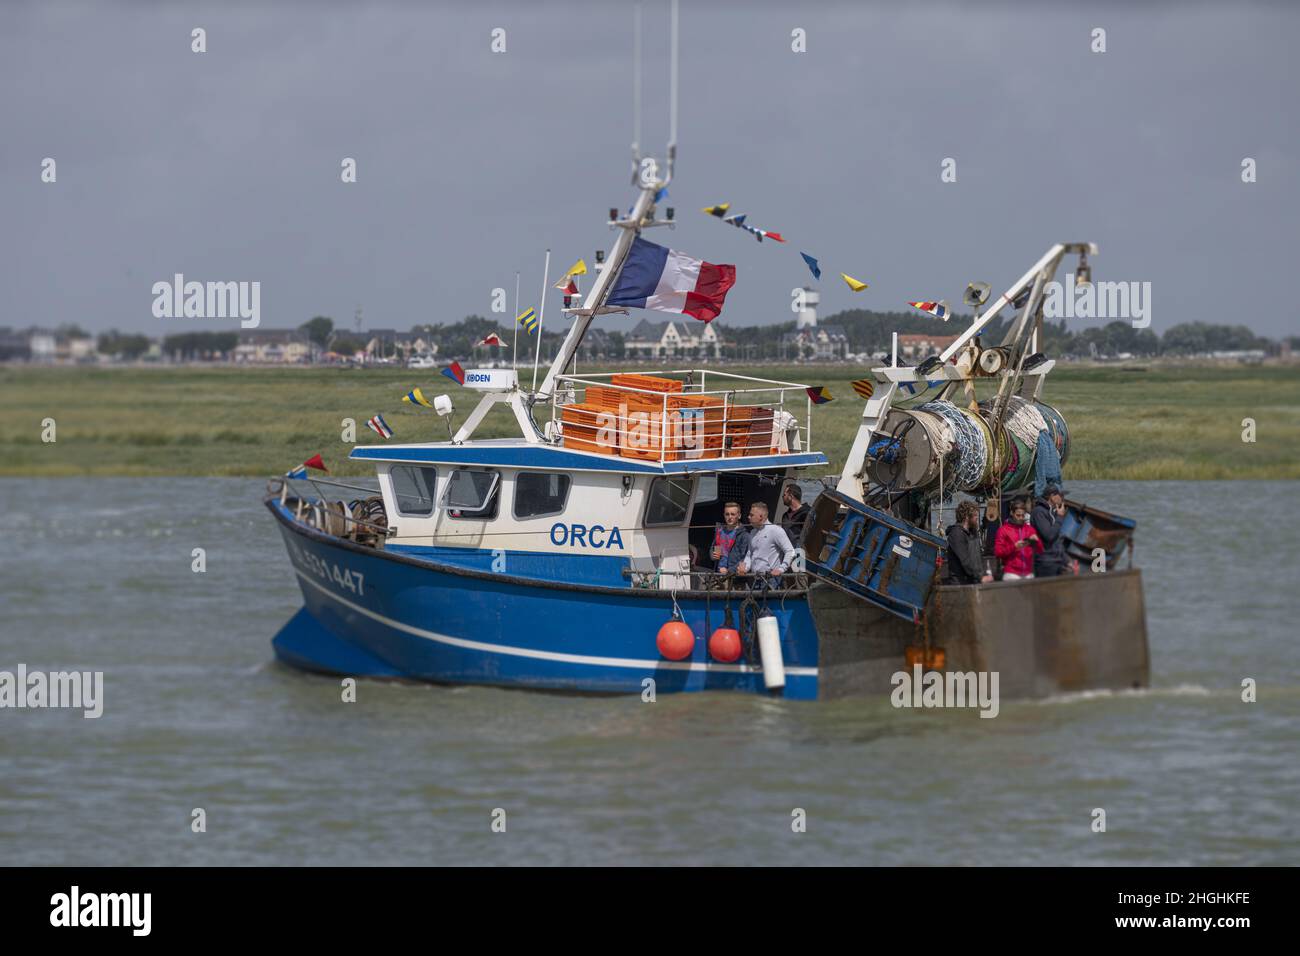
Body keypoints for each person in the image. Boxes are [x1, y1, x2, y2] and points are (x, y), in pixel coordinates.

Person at [736, 502, 796, 581]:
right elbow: (749, 554)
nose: (748, 517)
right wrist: (745, 568)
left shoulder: (776, 530)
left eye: (751, 515)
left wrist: (781, 569)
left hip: (771, 580)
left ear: (760, 517)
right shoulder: (752, 533)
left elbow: (790, 551)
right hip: (754, 579)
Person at [993, 497, 1042, 580]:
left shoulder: (1030, 529)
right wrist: (1014, 547)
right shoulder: (1003, 530)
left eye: (1023, 515)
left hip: (1028, 573)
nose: (1021, 518)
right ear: (1012, 513)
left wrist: (1037, 542)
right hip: (1011, 573)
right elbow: (998, 552)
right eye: (1018, 515)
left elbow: (1040, 550)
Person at [945, 500, 992, 585]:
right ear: (967, 517)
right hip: (960, 583)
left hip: (974, 580)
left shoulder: (973, 532)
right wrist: (980, 577)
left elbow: (977, 557)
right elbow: (965, 560)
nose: (977, 518)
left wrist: (983, 574)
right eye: (975, 515)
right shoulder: (956, 534)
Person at [1030, 485, 1070, 577]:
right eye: (1060, 495)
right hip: (1045, 561)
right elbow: (1049, 535)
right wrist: (1060, 517)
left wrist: (1067, 561)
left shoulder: (1053, 512)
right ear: (1052, 496)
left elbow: (1057, 540)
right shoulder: (1039, 512)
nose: (1062, 498)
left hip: (1056, 559)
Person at [712, 502, 749, 574]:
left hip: (734, 576)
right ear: (724, 515)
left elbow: (744, 558)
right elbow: (712, 547)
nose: (730, 517)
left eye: (733, 514)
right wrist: (713, 555)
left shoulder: (744, 535)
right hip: (718, 573)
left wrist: (729, 571)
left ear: (739, 516)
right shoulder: (719, 531)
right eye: (727, 514)